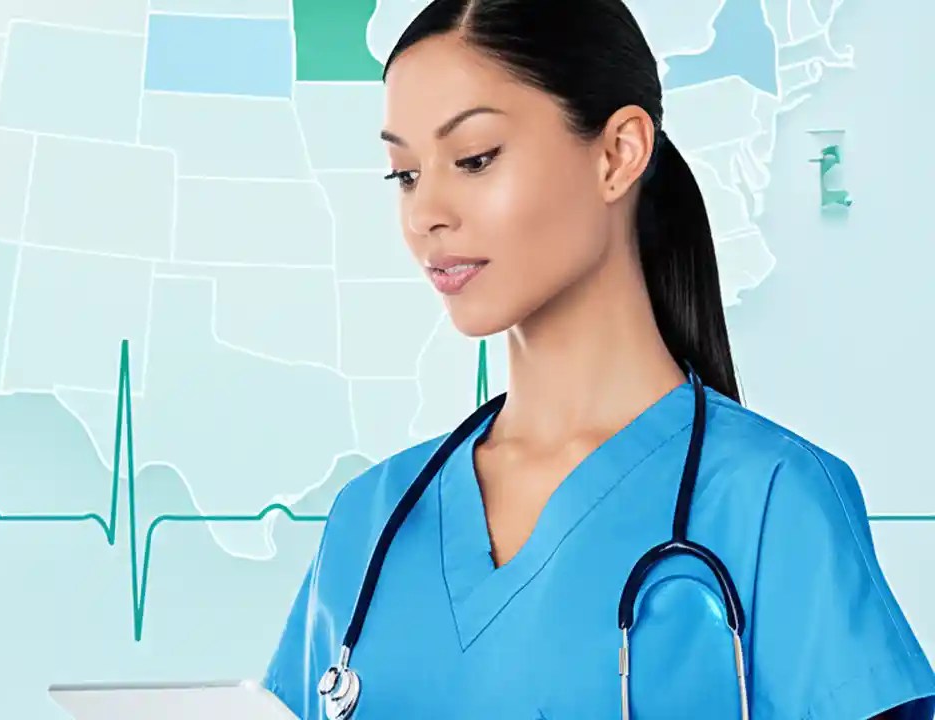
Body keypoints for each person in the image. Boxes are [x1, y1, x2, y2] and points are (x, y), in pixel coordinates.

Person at [260, 0, 935, 718]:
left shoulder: (772, 501)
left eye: (475, 159)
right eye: (404, 174)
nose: (426, 213)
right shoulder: (370, 522)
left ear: (618, 154)